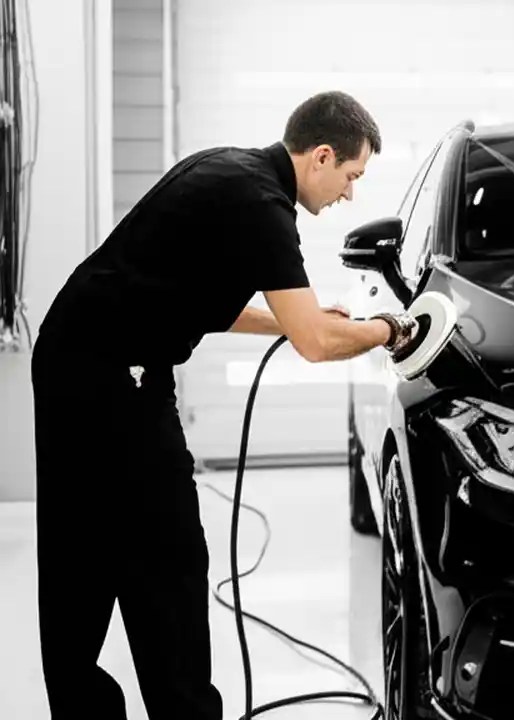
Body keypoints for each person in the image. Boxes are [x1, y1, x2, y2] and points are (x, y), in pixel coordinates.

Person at [30, 90, 419, 719]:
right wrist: (391, 330)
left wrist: (296, 318)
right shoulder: (262, 206)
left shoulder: (233, 171)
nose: (350, 194)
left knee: (92, 546)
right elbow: (317, 345)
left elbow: (204, 300)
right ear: (322, 156)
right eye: (352, 176)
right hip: (106, 375)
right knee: (162, 556)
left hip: (86, 361)